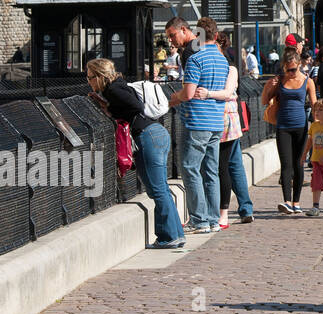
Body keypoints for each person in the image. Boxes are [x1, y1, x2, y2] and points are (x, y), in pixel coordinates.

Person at [86, 58, 186, 248]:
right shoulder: (118, 86)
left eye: (90, 77)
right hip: (157, 134)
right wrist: (108, 107)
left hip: (148, 137)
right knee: (160, 188)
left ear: (99, 76)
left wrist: (110, 108)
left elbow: (135, 107)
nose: (89, 82)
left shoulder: (114, 90)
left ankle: (169, 237)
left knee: (157, 190)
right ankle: (175, 234)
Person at [167, 16, 227, 235]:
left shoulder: (195, 59)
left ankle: (199, 219)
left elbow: (189, 93)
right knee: (211, 171)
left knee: (190, 168)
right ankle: (212, 219)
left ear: (199, 34)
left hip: (197, 120)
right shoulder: (222, 60)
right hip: (216, 121)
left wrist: (173, 98)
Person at [198, 54, 254, 228]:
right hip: (226, 120)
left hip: (224, 120)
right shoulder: (224, 68)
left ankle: (222, 212)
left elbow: (227, 92)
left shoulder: (229, 69)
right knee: (234, 165)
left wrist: (207, 94)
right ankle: (244, 209)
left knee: (222, 167)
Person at [260, 49, 315, 214]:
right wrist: (269, 87)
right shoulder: (280, 81)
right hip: (283, 126)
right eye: (287, 69)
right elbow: (264, 101)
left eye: (293, 69)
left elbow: (314, 105)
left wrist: (319, 126)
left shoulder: (308, 81)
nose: (291, 73)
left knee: (299, 164)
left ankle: (296, 202)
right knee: (286, 164)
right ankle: (287, 201)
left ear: (299, 65)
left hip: (301, 126)